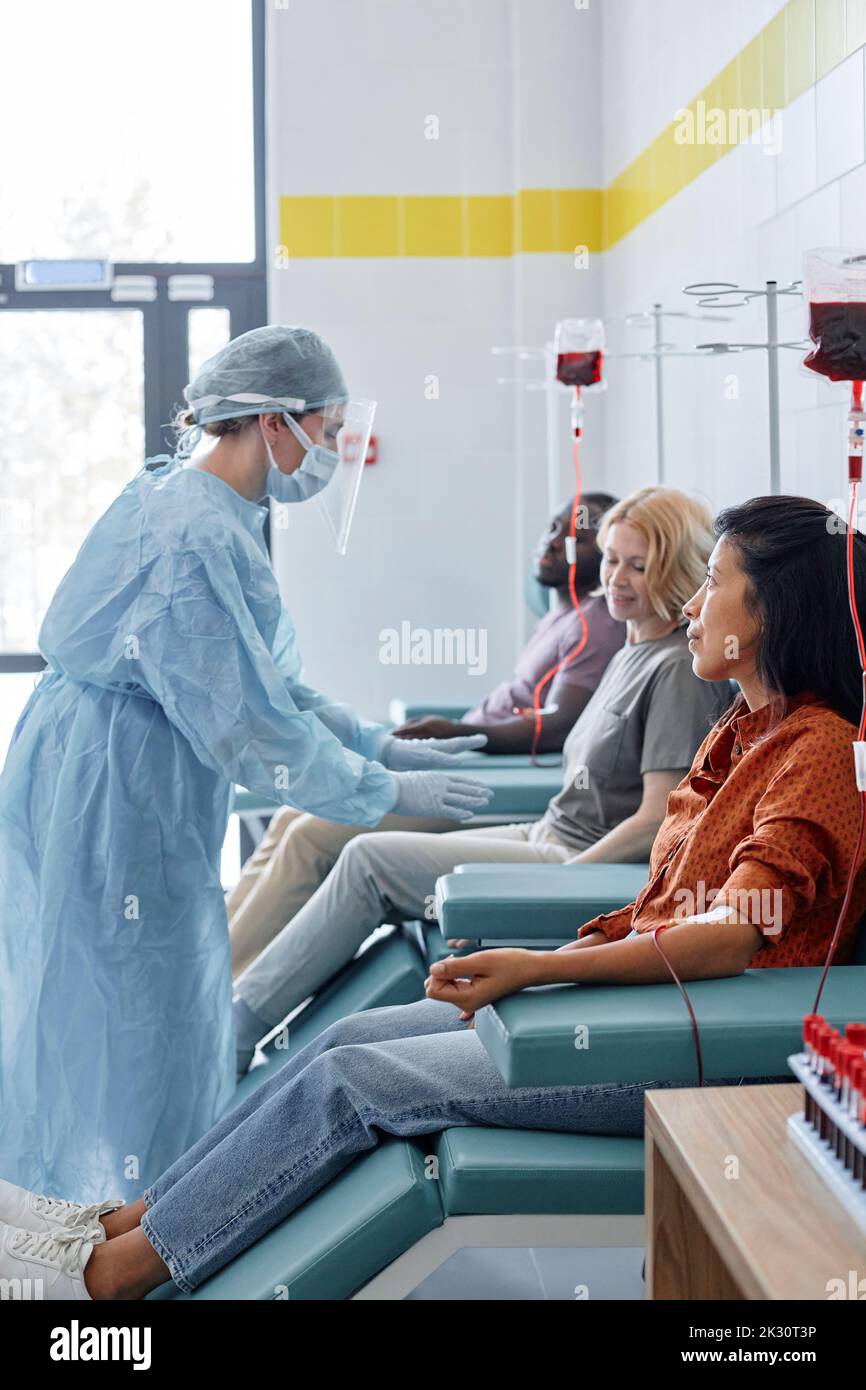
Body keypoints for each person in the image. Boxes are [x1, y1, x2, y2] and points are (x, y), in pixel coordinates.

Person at [5, 493, 865, 1300]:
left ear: (773, 613)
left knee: (354, 1082)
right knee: (346, 1035)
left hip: (686, 1051)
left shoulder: (818, 750)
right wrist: (565, 965)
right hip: (640, 1009)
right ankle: (121, 1223)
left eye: (713, 583)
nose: (690, 605)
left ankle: (108, 1278)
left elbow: (729, 935)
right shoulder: (747, 730)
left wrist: (536, 970)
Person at [0, 325, 492, 1204]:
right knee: (121, 1008)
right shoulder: (193, 534)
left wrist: (374, 742)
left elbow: (267, 684)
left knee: (140, 995)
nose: (332, 452)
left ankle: (139, 1214)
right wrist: (382, 791)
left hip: (116, 767)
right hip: (111, 791)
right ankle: (107, 1224)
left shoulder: (198, 509)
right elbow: (252, 730)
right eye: (328, 430)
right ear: (272, 421)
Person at [231, 486, 733, 1075]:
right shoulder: (633, 648)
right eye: (612, 559)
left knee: (368, 860)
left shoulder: (677, 668)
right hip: (549, 830)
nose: (615, 579)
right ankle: (236, 1004)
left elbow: (657, 821)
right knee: (347, 843)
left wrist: (564, 881)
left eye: (637, 566)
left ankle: (238, 1026)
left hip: (575, 855)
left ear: (675, 570)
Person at [226, 492, 625, 977]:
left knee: (310, 836)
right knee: (295, 814)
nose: (552, 542)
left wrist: (455, 731)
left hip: (489, 780)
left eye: (575, 537)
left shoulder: (598, 627)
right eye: (552, 528)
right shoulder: (560, 617)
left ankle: (225, 990)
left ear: (607, 559)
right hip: (470, 758)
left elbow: (557, 726)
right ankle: (214, 956)